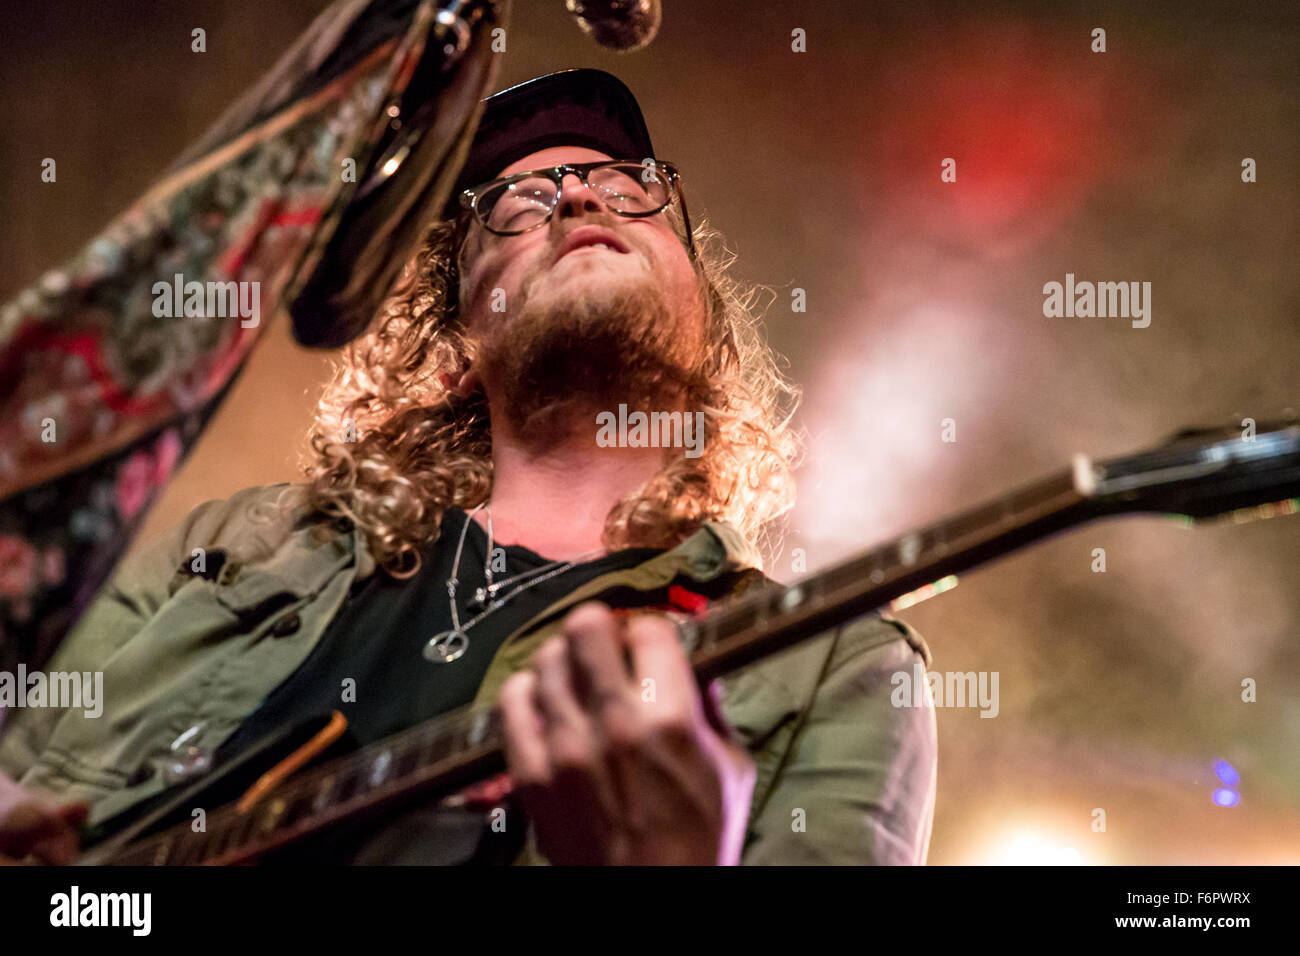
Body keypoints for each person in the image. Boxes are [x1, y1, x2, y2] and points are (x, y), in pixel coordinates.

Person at [0, 69, 936, 866]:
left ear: (706, 320)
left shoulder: (838, 665)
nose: (579, 198)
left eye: (624, 184)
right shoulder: (233, 544)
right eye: (518, 205)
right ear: (456, 344)